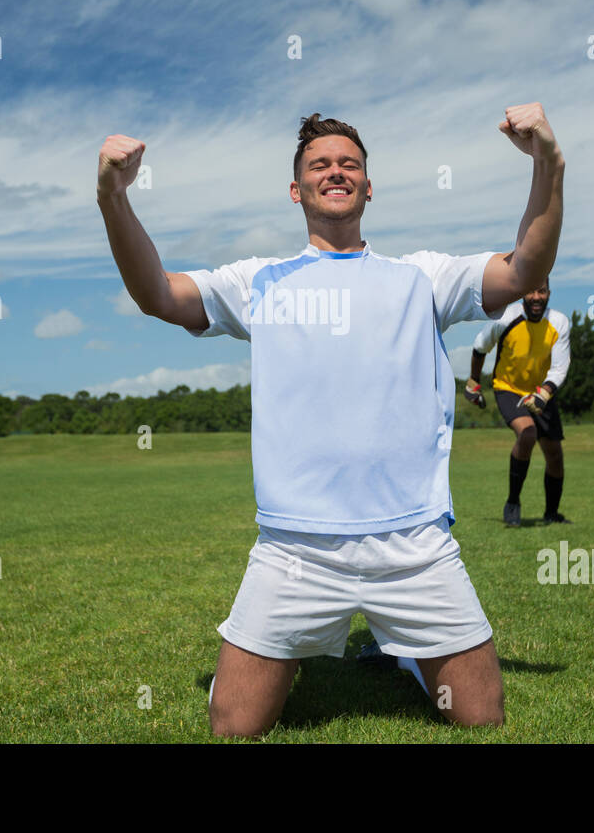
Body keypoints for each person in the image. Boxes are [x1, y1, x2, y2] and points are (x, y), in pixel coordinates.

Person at [95, 103, 564, 736]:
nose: (335, 171)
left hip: (415, 548)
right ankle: (332, 647)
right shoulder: (259, 280)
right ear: (296, 189)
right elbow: (157, 294)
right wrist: (113, 197)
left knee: (481, 717)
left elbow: (524, 270)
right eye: (320, 164)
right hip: (295, 550)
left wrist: (547, 164)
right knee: (235, 727)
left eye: (350, 164)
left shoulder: (422, 277)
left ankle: (405, 653)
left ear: (369, 187)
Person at [464, 278, 571, 526]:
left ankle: (552, 514)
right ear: (523, 293)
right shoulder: (505, 318)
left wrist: (544, 393)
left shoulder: (559, 322)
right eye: (531, 291)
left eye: (542, 291)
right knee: (527, 433)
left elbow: (560, 366)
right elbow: (480, 347)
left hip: (541, 391)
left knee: (554, 455)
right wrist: (473, 383)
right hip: (508, 388)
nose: (536, 297)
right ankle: (513, 502)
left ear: (549, 294)